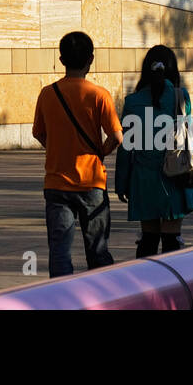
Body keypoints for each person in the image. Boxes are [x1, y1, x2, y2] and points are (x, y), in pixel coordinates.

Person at [32, 30, 122, 277]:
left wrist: (57, 148)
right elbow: (116, 137)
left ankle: (61, 300)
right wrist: (100, 152)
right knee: (98, 251)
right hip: (91, 183)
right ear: (90, 59)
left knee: (59, 253)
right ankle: (104, 298)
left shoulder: (47, 94)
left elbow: (38, 133)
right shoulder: (98, 95)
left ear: (61, 60)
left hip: (57, 183)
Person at [115, 45, 193, 257]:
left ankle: (145, 285)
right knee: (171, 240)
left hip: (144, 180)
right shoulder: (181, 97)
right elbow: (186, 134)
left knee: (148, 239)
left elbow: (126, 148)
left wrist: (121, 184)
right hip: (175, 176)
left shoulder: (132, 103)